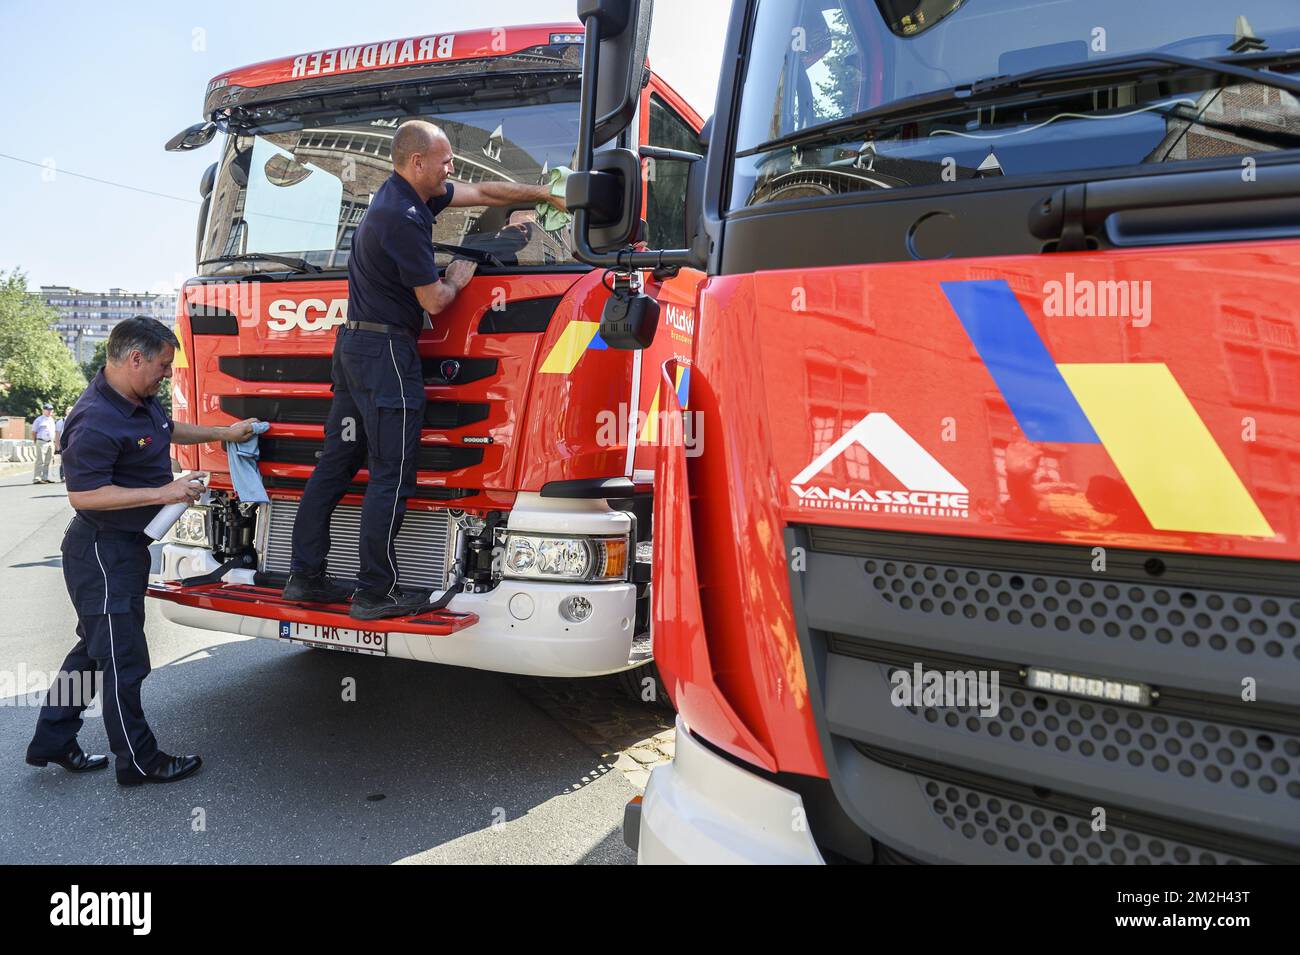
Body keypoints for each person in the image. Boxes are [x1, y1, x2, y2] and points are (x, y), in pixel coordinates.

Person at [284, 120, 566, 621]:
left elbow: (481, 189)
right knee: (391, 474)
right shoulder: (402, 217)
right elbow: (433, 300)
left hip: (353, 349)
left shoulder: (398, 196)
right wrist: (457, 276)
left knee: (336, 463)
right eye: (444, 160)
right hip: (386, 355)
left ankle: (304, 577)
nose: (451, 167)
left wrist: (544, 191)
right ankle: (376, 593)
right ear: (418, 162)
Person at [25, 316, 258, 786]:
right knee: (124, 658)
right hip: (101, 551)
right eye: (164, 365)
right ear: (135, 359)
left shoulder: (139, 400)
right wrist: (163, 493)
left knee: (96, 651)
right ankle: (139, 760)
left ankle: (52, 739)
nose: (167, 374)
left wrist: (225, 434)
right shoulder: (95, 418)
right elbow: (83, 496)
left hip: (124, 549)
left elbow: (170, 430)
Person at [32, 402, 56, 484]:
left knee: (48, 461)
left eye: (51, 410)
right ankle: (37, 478)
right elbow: (33, 432)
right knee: (40, 460)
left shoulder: (52, 420)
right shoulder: (39, 420)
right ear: (43, 410)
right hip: (41, 441)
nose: (49, 411)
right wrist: (35, 441)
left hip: (50, 442)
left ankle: (45, 477)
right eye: (47, 410)